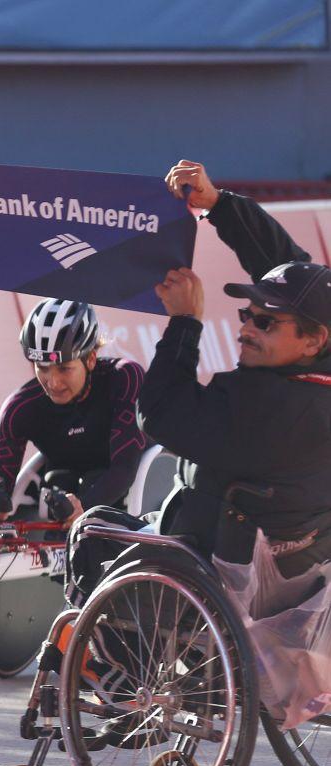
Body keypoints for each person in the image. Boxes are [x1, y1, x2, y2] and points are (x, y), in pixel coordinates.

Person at [143, 160, 331, 576]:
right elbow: (292, 274)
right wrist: (221, 205)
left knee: (90, 530)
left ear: (313, 340)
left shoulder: (264, 406)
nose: (246, 328)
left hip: (210, 567)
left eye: (264, 322)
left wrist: (185, 323)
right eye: (247, 314)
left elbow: (159, 412)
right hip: (301, 574)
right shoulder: (315, 372)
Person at [0, 298, 147, 527]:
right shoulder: (20, 407)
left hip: (138, 488)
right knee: (55, 483)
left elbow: (125, 469)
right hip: (66, 490)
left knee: (93, 482)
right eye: (42, 368)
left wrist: (84, 506)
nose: (53, 382)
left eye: (64, 368)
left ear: (91, 359)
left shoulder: (123, 377)